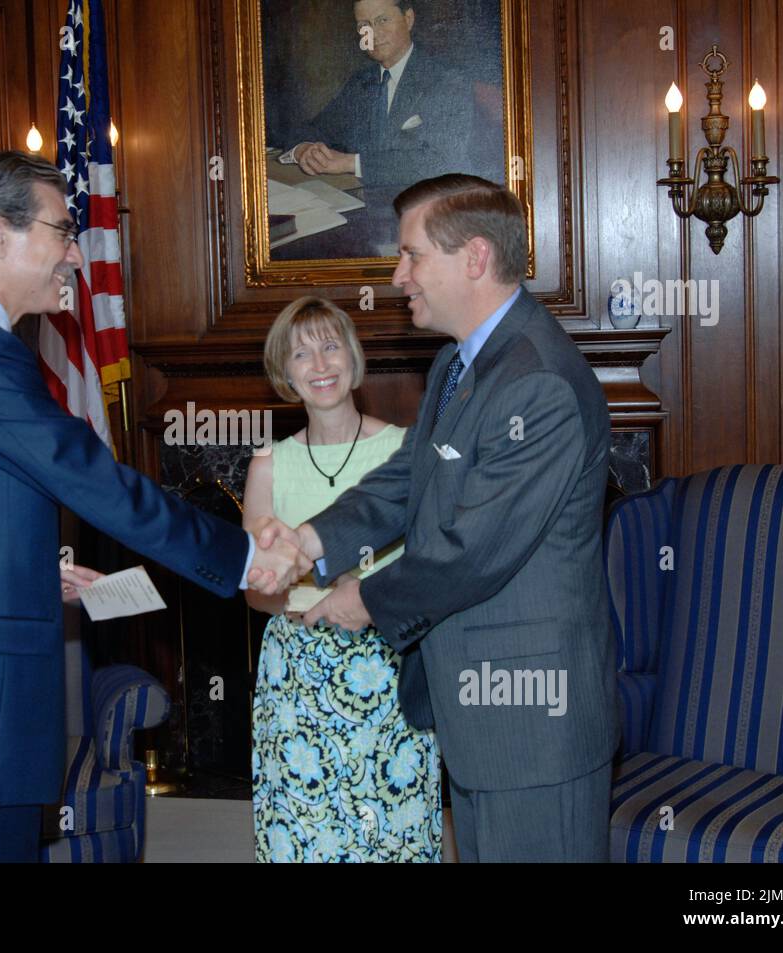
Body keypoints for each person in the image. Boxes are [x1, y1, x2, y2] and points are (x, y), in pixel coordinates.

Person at [0, 151, 307, 862]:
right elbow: (94, 480)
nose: (75, 256)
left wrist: (25, 569)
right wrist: (243, 553)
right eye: (63, 232)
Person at [254, 174, 620, 862]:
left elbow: (471, 551)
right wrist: (309, 539)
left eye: (413, 256)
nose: (398, 276)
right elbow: (406, 480)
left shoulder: (535, 380)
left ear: (474, 258)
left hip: (532, 722)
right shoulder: (461, 360)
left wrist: (361, 598)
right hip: (480, 712)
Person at [243, 296, 441, 862]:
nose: (319, 363)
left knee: (391, 830)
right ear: (286, 374)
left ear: (353, 360)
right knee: (304, 831)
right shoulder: (268, 467)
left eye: (331, 346)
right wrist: (283, 578)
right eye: (301, 353)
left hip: (387, 662)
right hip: (297, 671)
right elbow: (257, 596)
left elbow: (427, 566)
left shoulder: (405, 450)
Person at [277, 0, 500, 188]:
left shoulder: (447, 79)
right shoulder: (361, 82)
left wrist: (350, 163)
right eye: (364, 25)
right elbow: (315, 128)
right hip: (372, 209)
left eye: (383, 20)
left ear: (408, 19)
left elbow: (440, 162)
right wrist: (303, 149)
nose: (373, 33)